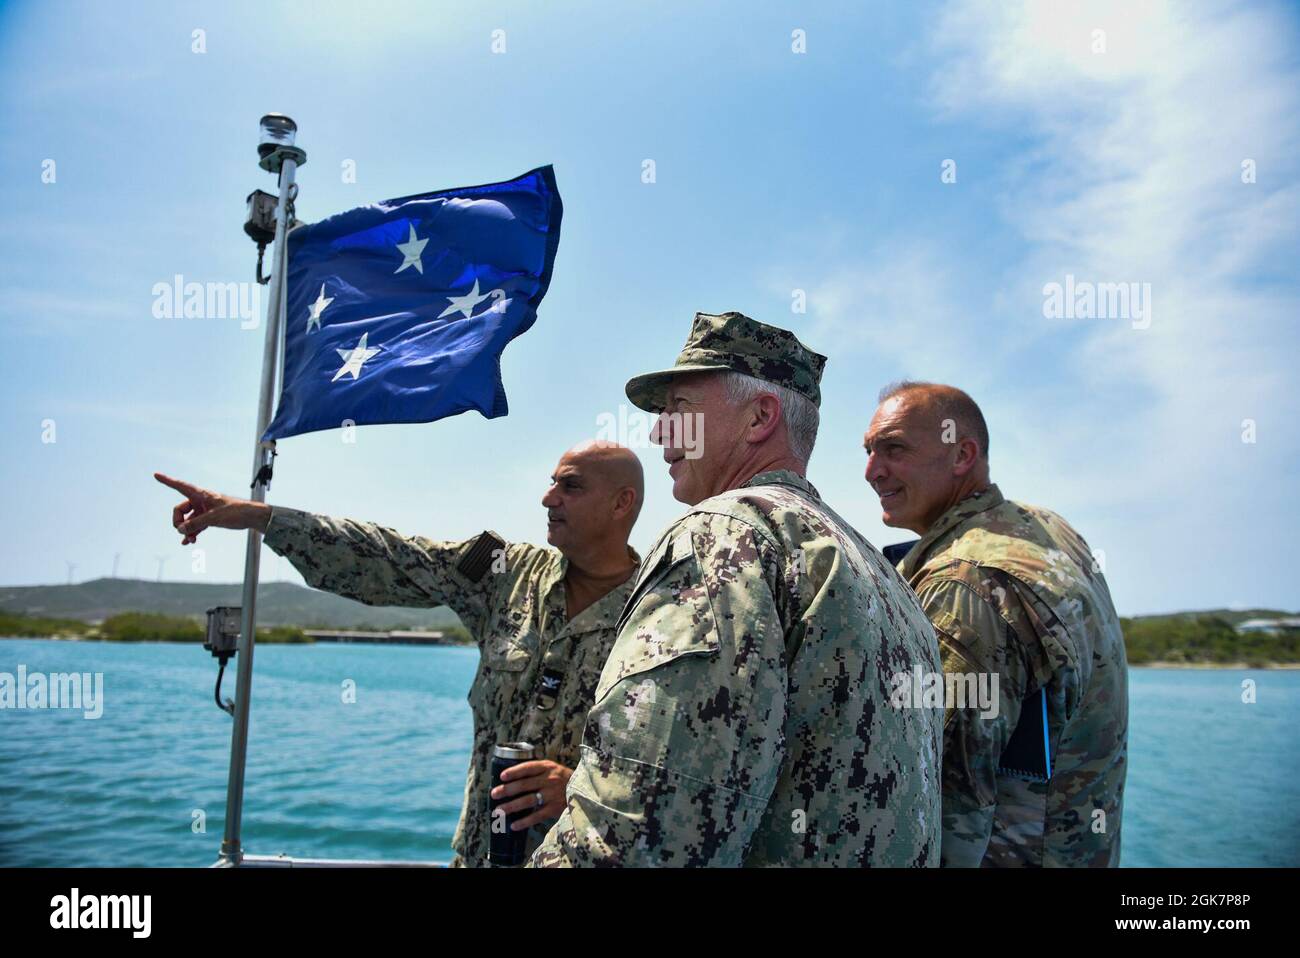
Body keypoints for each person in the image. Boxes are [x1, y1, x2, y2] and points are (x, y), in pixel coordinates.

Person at [529, 312, 943, 867]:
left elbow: (641, 834)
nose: (657, 433)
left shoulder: (727, 534)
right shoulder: (879, 572)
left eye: (678, 411)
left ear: (759, 419)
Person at [154, 439, 644, 867]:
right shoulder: (506, 573)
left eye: (571, 487)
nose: (547, 498)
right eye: (551, 483)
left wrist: (582, 790)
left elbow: (687, 762)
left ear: (623, 503)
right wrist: (262, 517)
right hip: (479, 857)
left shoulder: (661, 611)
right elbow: (394, 557)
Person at [863, 380, 1128, 867]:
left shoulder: (965, 583)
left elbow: (941, 803)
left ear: (963, 455)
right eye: (869, 451)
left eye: (894, 449)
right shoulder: (1048, 529)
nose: (871, 471)